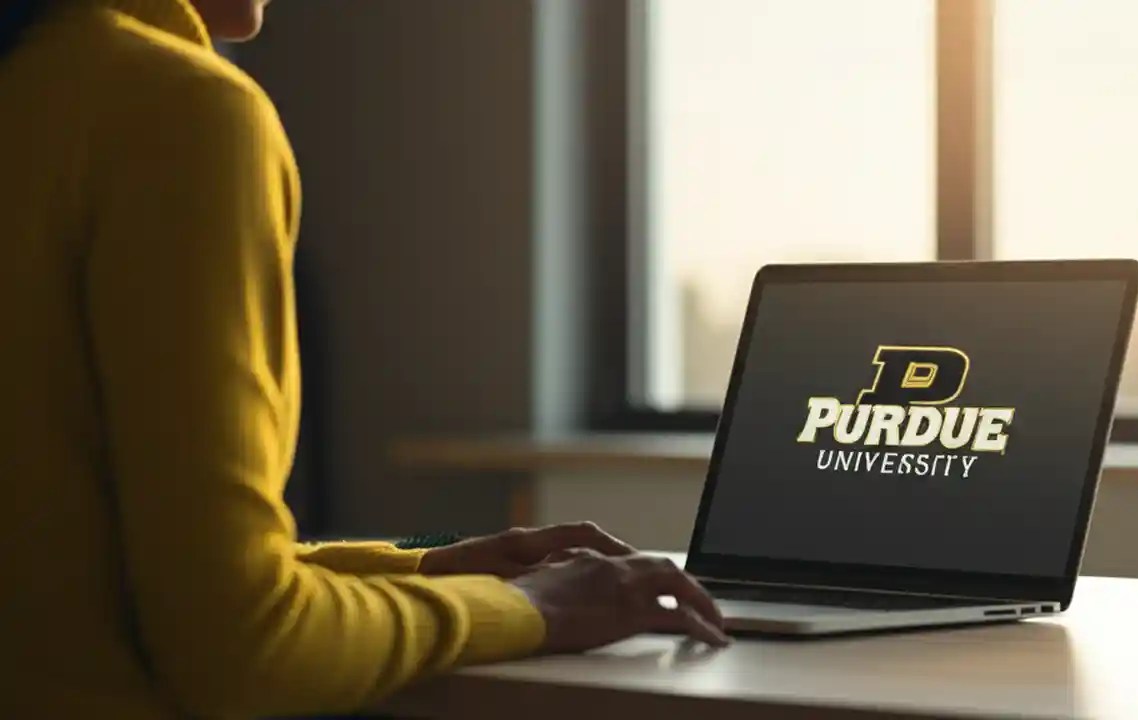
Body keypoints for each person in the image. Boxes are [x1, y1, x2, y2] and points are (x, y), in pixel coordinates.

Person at [0, 0, 728, 717]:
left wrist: (428, 566)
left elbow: (96, 581)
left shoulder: (44, 86)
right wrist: (530, 608)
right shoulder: (175, 114)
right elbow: (245, 652)